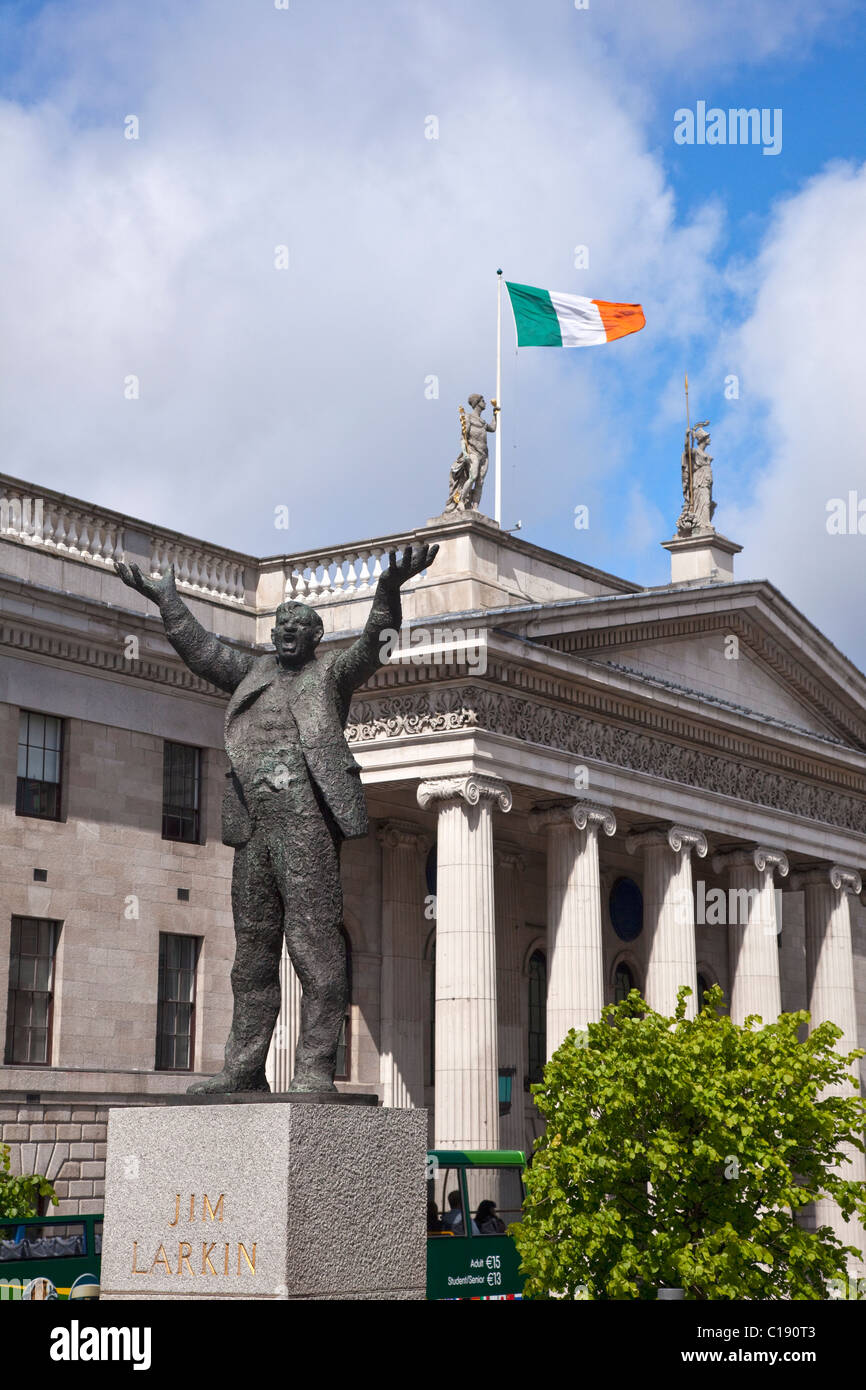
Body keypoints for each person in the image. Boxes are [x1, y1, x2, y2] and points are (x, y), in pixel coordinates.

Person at [114, 542, 437, 1094]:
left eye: (299, 625)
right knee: (253, 956)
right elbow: (202, 651)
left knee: (313, 947)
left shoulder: (331, 675)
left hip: (306, 823)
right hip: (254, 827)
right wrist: (167, 600)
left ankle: (314, 1066)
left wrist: (388, 590)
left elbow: (372, 647)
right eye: (282, 623)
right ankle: (243, 1067)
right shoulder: (252, 673)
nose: (288, 630)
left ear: (314, 638)